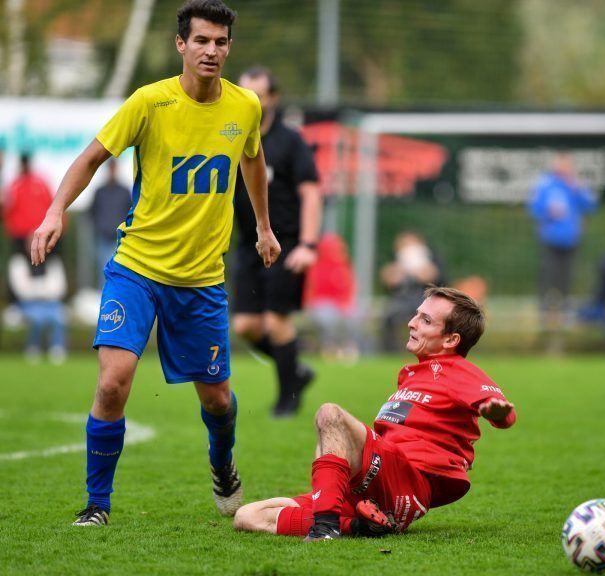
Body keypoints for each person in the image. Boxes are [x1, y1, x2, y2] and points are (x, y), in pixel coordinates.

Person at [31, 0, 281, 527]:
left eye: (220, 42)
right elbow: (93, 156)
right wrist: (55, 210)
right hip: (137, 267)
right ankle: (97, 504)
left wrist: (262, 227)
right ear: (181, 45)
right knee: (112, 381)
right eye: (202, 41)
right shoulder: (150, 102)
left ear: (228, 47)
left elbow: (253, 162)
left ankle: (222, 463)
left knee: (217, 401)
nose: (211, 50)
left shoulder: (245, 108)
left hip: (201, 279)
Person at [233, 286, 516, 540]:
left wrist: (496, 412)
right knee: (247, 517)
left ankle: (325, 528)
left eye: (425, 320)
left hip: (407, 480)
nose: (412, 323)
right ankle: (356, 526)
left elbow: (503, 414)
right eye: (417, 315)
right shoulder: (410, 375)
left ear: (450, 340)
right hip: (372, 492)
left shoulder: (458, 369)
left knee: (330, 414)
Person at [231, 65, 322, 418]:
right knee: (246, 326)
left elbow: (311, 194)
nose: (251, 100)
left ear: (273, 98)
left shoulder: (289, 141)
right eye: (245, 93)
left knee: (276, 322)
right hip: (247, 245)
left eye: (258, 94)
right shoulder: (234, 137)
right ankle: (295, 370)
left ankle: (287, 401)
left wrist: (308, 245)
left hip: (286, 243)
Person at [528, 152, 597, 352]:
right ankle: (544, 317)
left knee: (566, 281)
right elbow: (534, 207)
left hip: (570, 241)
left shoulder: (575, 185)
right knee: (548, 279)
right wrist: (549, 211)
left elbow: (591, 206)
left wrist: (579, 189)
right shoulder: (546, 184)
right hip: (550, 241)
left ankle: (565, 317)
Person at [8, 234, 68, 364]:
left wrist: (35, 286)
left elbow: (59, 289)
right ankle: (33, 348)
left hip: (51, 303)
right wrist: (44, 287)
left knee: (59, 316)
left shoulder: (53, 261)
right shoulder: (19, 262)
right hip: (26, 304)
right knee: (37, 318)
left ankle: (57, 348)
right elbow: (22, 291)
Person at [379, 231, 442, 352]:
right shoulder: (397, 261)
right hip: (402, 301)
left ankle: (431, 348)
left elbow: (438, 281)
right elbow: (389, 284)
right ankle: (390, 350)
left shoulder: (432, 259)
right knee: (389, 317)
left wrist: (423, 272)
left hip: (426, 301)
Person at [303, 232, 359, 361]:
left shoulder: (344, 265)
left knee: (353, 315)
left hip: (340, 304)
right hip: (320, 303)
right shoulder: (315, 265)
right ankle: (329, 348)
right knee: (328, 318)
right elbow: (310, 290)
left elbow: (348, 288)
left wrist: (345, 303)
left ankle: (348, 347)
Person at [89, 159, 132, 287]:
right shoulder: (100, 191)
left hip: (120, 240)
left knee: (120, 271)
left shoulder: (124, 191)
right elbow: (92, 212)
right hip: (103, 238)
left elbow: (130, 213)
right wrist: (100, 226)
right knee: (104, 271)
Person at [2, 152, 54, 245]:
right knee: (18, 260)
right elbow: (7, 211)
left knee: (52, 259)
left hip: (42, 234)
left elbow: (52, 206)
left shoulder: (40, 183)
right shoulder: (15, 185)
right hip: (20, 237)